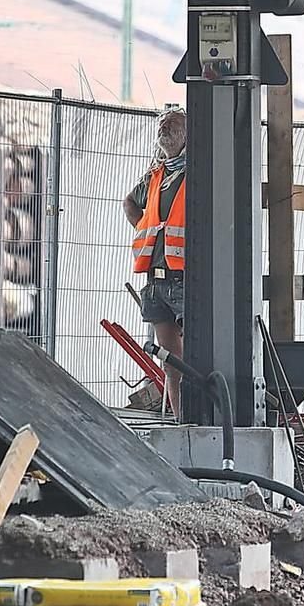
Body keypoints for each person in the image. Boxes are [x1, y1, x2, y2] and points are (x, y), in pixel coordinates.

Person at [122, 107, 188, 414]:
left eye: (171, 125)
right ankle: (181, 421)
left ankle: (197, 419)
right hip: (157, 280)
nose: (164, 130)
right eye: (162, 125)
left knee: (195, 360)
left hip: (186, 281)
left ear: (187, 134)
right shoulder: (157, 176)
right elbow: (130, 202)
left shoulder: (197, 173)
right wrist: (146, 227)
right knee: (171, 362)